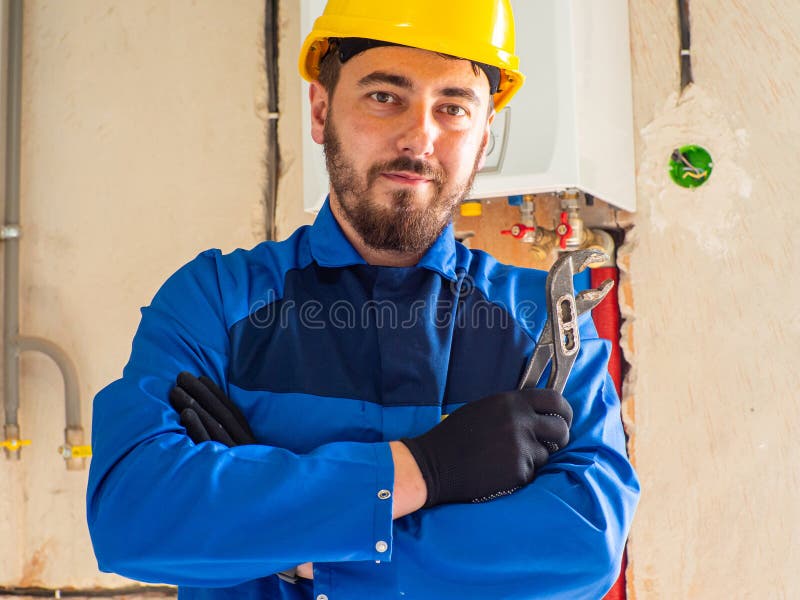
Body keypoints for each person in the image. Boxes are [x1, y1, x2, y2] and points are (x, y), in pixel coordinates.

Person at [86, 1, 639, 598]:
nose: (418, 137)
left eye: (453, 108)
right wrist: (424, 470)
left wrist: (295, 548)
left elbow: (582, 546)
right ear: (321, 112)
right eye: (384, 96)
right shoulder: (216, 302)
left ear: (483, 139)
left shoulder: (545, 328)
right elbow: (132, 515)